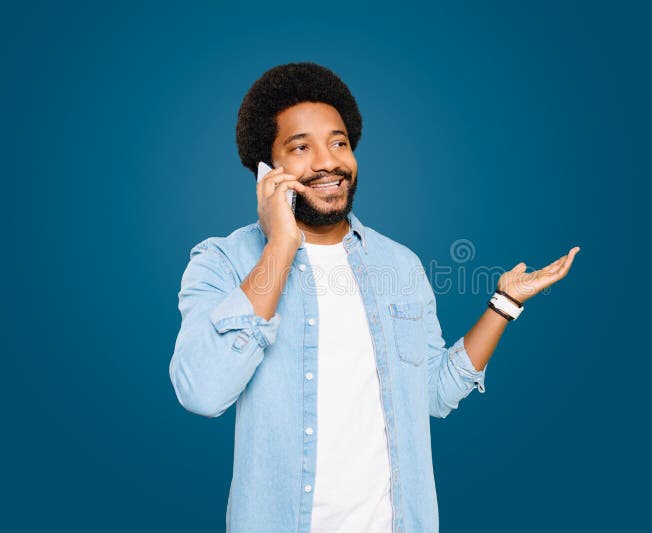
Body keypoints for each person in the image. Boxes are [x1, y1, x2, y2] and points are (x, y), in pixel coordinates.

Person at [169, 62, 580, 533]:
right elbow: (202, 392)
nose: (328, 161)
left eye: (339, 142)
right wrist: (280, 244)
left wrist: (503, 304)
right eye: (300, 147)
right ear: (267, 169)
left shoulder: (399, 265)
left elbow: (435, 393)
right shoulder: (222, 261)